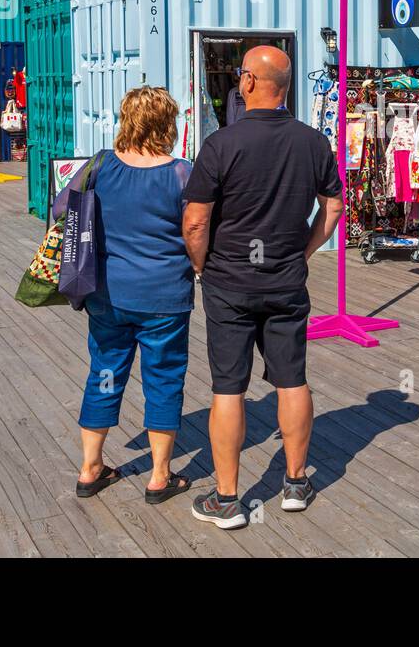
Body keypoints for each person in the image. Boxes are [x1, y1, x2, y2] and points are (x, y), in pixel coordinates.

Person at [182, 45, 343, 529]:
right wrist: (304, 251)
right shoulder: (314, 143)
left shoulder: (220, 144)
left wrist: (201, 266)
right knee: (292, 379)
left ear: (250, 82)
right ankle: (295, 483)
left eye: (241, 74)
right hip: (285, 279)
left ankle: (228, 499)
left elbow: (195, 222)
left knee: (228, 388)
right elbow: (333, 209)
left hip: (229, 281)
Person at [68, 86, 196, 505]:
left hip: (108, 293)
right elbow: (197, 228)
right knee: (164, 378)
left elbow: (62, 210)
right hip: (165, 296)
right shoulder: (182, 173)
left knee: (104, 372)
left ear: (127, 120)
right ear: (167, 123)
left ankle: (90, 469)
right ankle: (159, 476)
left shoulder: (100, 165)